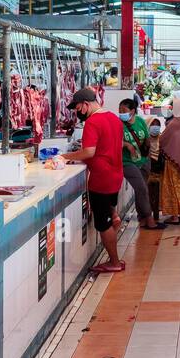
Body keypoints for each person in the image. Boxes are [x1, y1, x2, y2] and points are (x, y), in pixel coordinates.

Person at [60, 88, 126, 273]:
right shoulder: (114, 118)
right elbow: (113, 146)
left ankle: (114, 262)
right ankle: (114, 215)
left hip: (101, 179)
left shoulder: (93, 122)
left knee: (102, 224)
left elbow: (89, 151)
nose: (77, 112)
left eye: (78, 108)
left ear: (86, 105)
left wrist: (65, 156)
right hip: (115, 175)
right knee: (108, 214)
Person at [119, 99, 162, 230]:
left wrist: (148, 148)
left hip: (143, 161)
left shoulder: (140, 121)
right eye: (120, 111)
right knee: (142, 188)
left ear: (132, 111)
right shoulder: (118, 124)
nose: (121, 113)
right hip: (127, 162)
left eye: (124, 111)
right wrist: (126, 145)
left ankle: (141, 218)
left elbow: (147, 138)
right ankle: (149, 219)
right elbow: (114, 142)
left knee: (140, 190)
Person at [145, 117, 164, 225]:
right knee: (147, 195)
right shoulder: (145, 140)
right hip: (147, 173)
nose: (155, 127)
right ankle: (146, 216)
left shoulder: (162, 139)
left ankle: (156, 215)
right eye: (153, 124)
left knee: (157, 196)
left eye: (157, 124)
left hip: (158, 173)